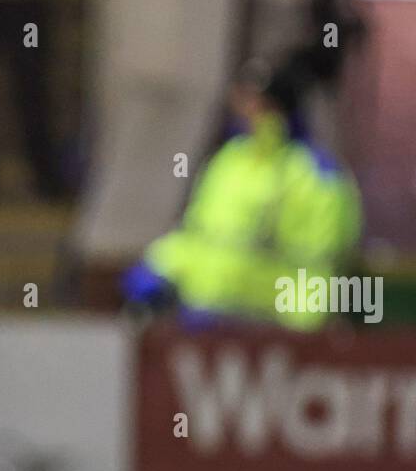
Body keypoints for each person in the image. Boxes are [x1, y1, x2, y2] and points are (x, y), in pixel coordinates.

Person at [124, 59, 362, 330]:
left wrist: (302, 333)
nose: (243, 110)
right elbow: (200, 238)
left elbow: (318, 264)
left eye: (253, 101)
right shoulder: (230, 160)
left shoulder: (315, 175)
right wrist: (160, 266)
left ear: (278, 106)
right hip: (203, 317)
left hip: (270, 328)